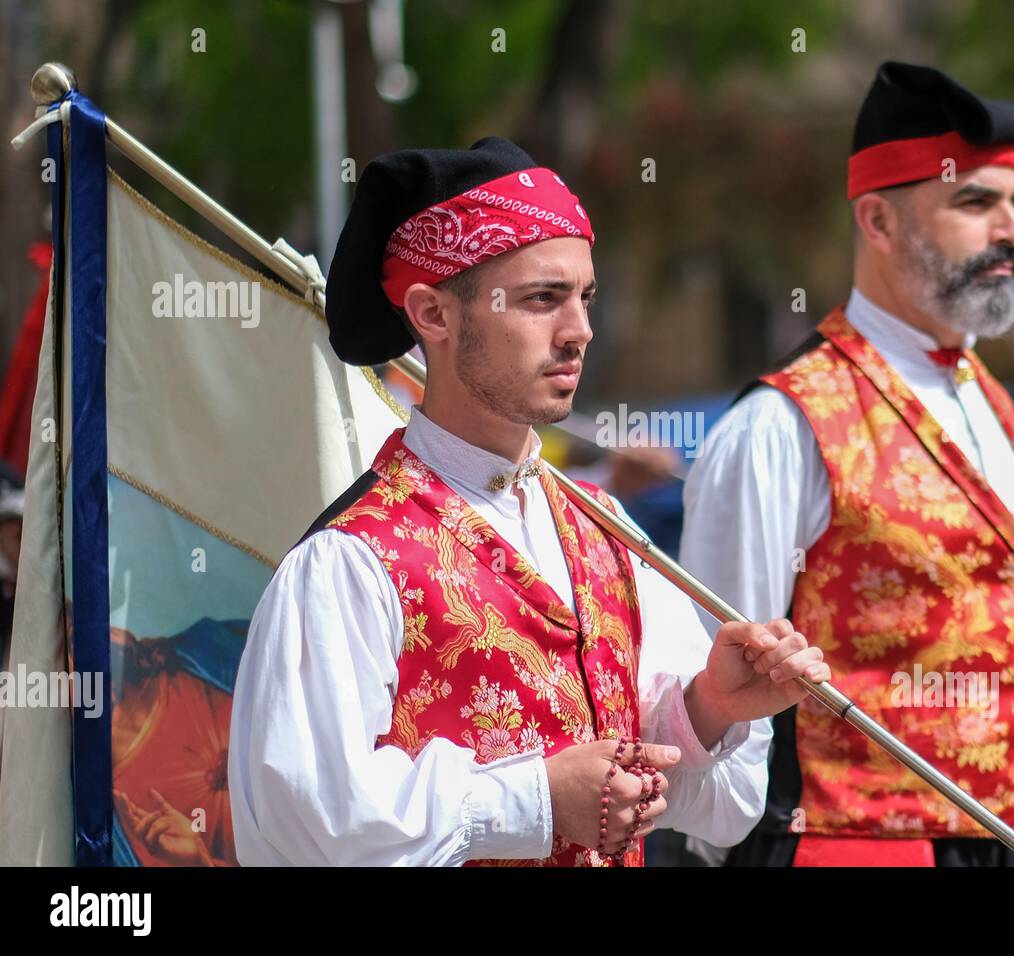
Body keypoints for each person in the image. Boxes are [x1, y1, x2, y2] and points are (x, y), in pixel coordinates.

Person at [228, 137, 830, 867]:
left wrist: (707, 709)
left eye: (585, 297)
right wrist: (535, 800)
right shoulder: (349, 562)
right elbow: (311, 825)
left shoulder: (606, 531)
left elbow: (722, 815)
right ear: (434, 315)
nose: (579, 330)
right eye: (543, 298)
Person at [681, 62, 1014, 866]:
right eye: (976, 202)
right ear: (879, 222)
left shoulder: (987, 396)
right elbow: (712, 681)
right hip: (852, 845)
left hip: (1011, 837)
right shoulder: (781, 422)